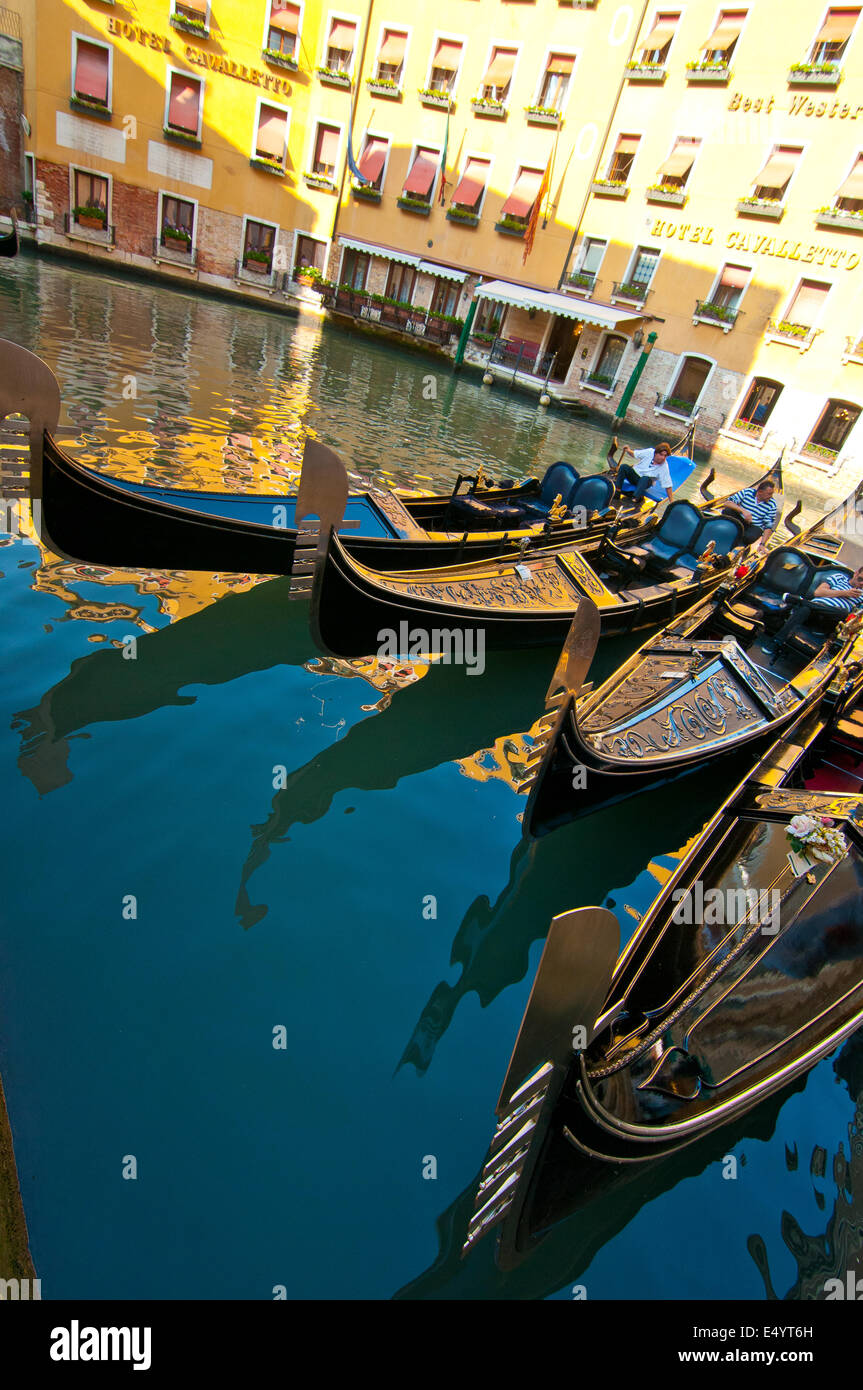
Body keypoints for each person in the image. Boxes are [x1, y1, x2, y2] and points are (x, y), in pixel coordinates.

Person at [769, 564, 863, 659]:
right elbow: (818, 592)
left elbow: (856, 617)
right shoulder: (839, 577)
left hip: (831, 620)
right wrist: (845, 593)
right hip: (813, 612)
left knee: (844, 613)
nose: (862, 583)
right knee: (805, 609)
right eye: (860, 579)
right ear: (855, 574)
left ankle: (799, 601)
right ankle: (776, 641)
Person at [723, 480, 778, 548]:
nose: (771, 496)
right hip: (740, 519)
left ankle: (739, 545)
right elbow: (727, 503)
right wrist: (743, 511)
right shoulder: (747, 492)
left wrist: (762, 544)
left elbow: (768, 526)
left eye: (772, 494)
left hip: (753, 526)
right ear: (760, 492)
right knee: (727, 511)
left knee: (750, 537)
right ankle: (727, 532)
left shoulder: (772, 504)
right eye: (769, 494)